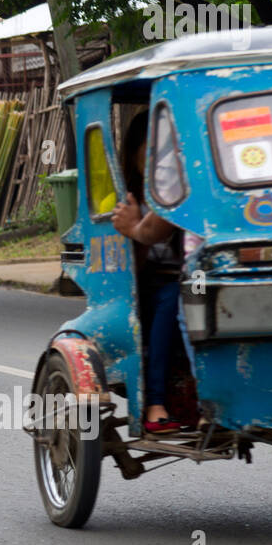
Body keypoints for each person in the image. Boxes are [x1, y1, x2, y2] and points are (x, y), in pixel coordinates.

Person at [111, 112, 187, 434]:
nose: (159, 160)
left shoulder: (183, 187)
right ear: (134, 152)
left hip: (192, 280)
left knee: (189, 296)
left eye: (165, 151)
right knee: (170, 299)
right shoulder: (126, 198)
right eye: (150, 150)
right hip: (143, 282)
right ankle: (154, 402)